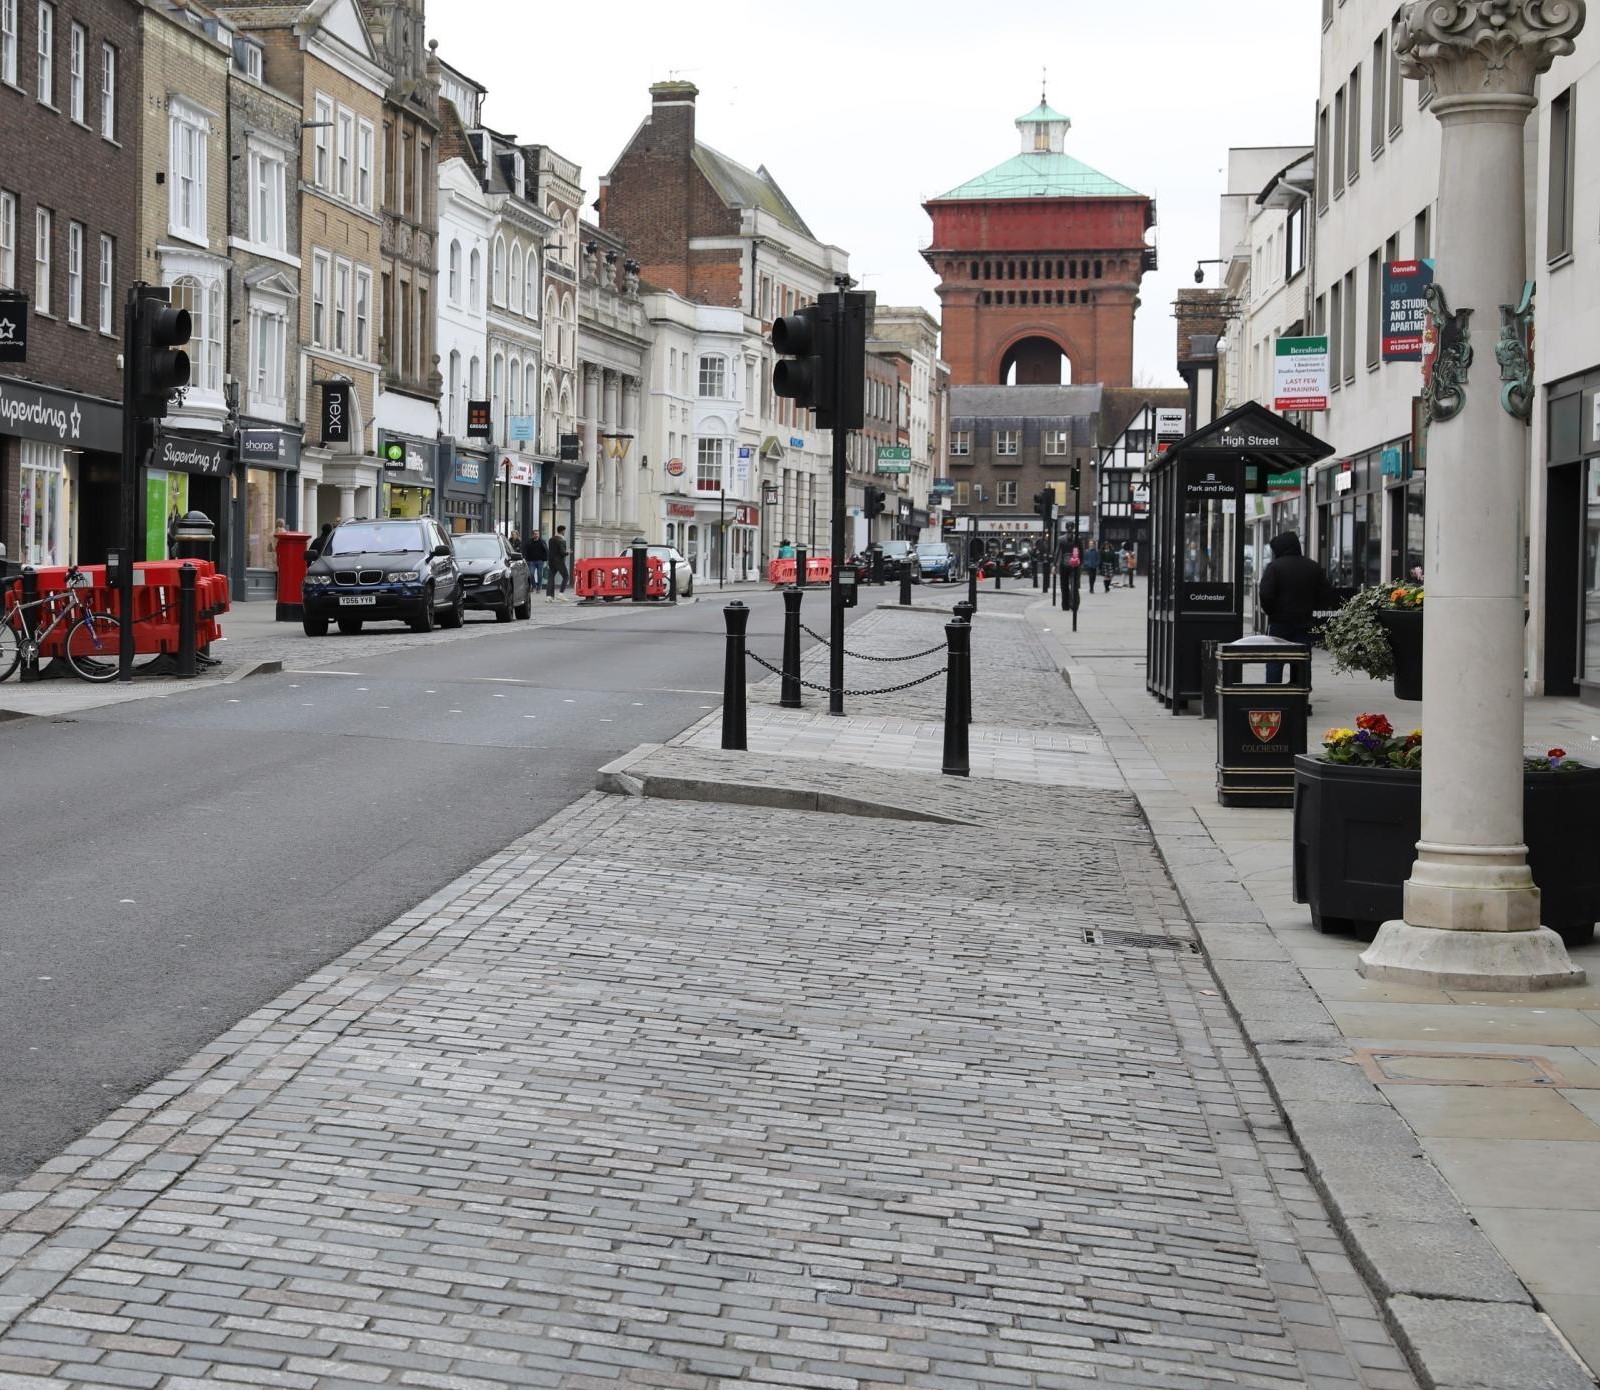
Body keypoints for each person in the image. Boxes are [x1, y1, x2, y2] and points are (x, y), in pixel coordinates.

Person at [1258, 531, 1334, 687]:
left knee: (1275, 659)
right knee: (1301, 660)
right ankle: (1300, 696)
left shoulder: (1274, 567)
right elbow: (1326, 593)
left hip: (1280, 622)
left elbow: (1266, 594)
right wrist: (1312, 608)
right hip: (1305, 621)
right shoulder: (1312, 566)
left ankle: (1273, 695)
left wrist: (1271, 611)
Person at [546, 524, 570, 598]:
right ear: (562, 531)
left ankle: (549, 596)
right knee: (566, 576)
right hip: (559, 561)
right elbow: (562, 553)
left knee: (550, 578)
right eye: (564, 531)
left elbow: (551, 551)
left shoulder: (551, 539)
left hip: (551, 561)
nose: (564, 532)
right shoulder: (561, 540)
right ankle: (561, 594)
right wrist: (568, 552)